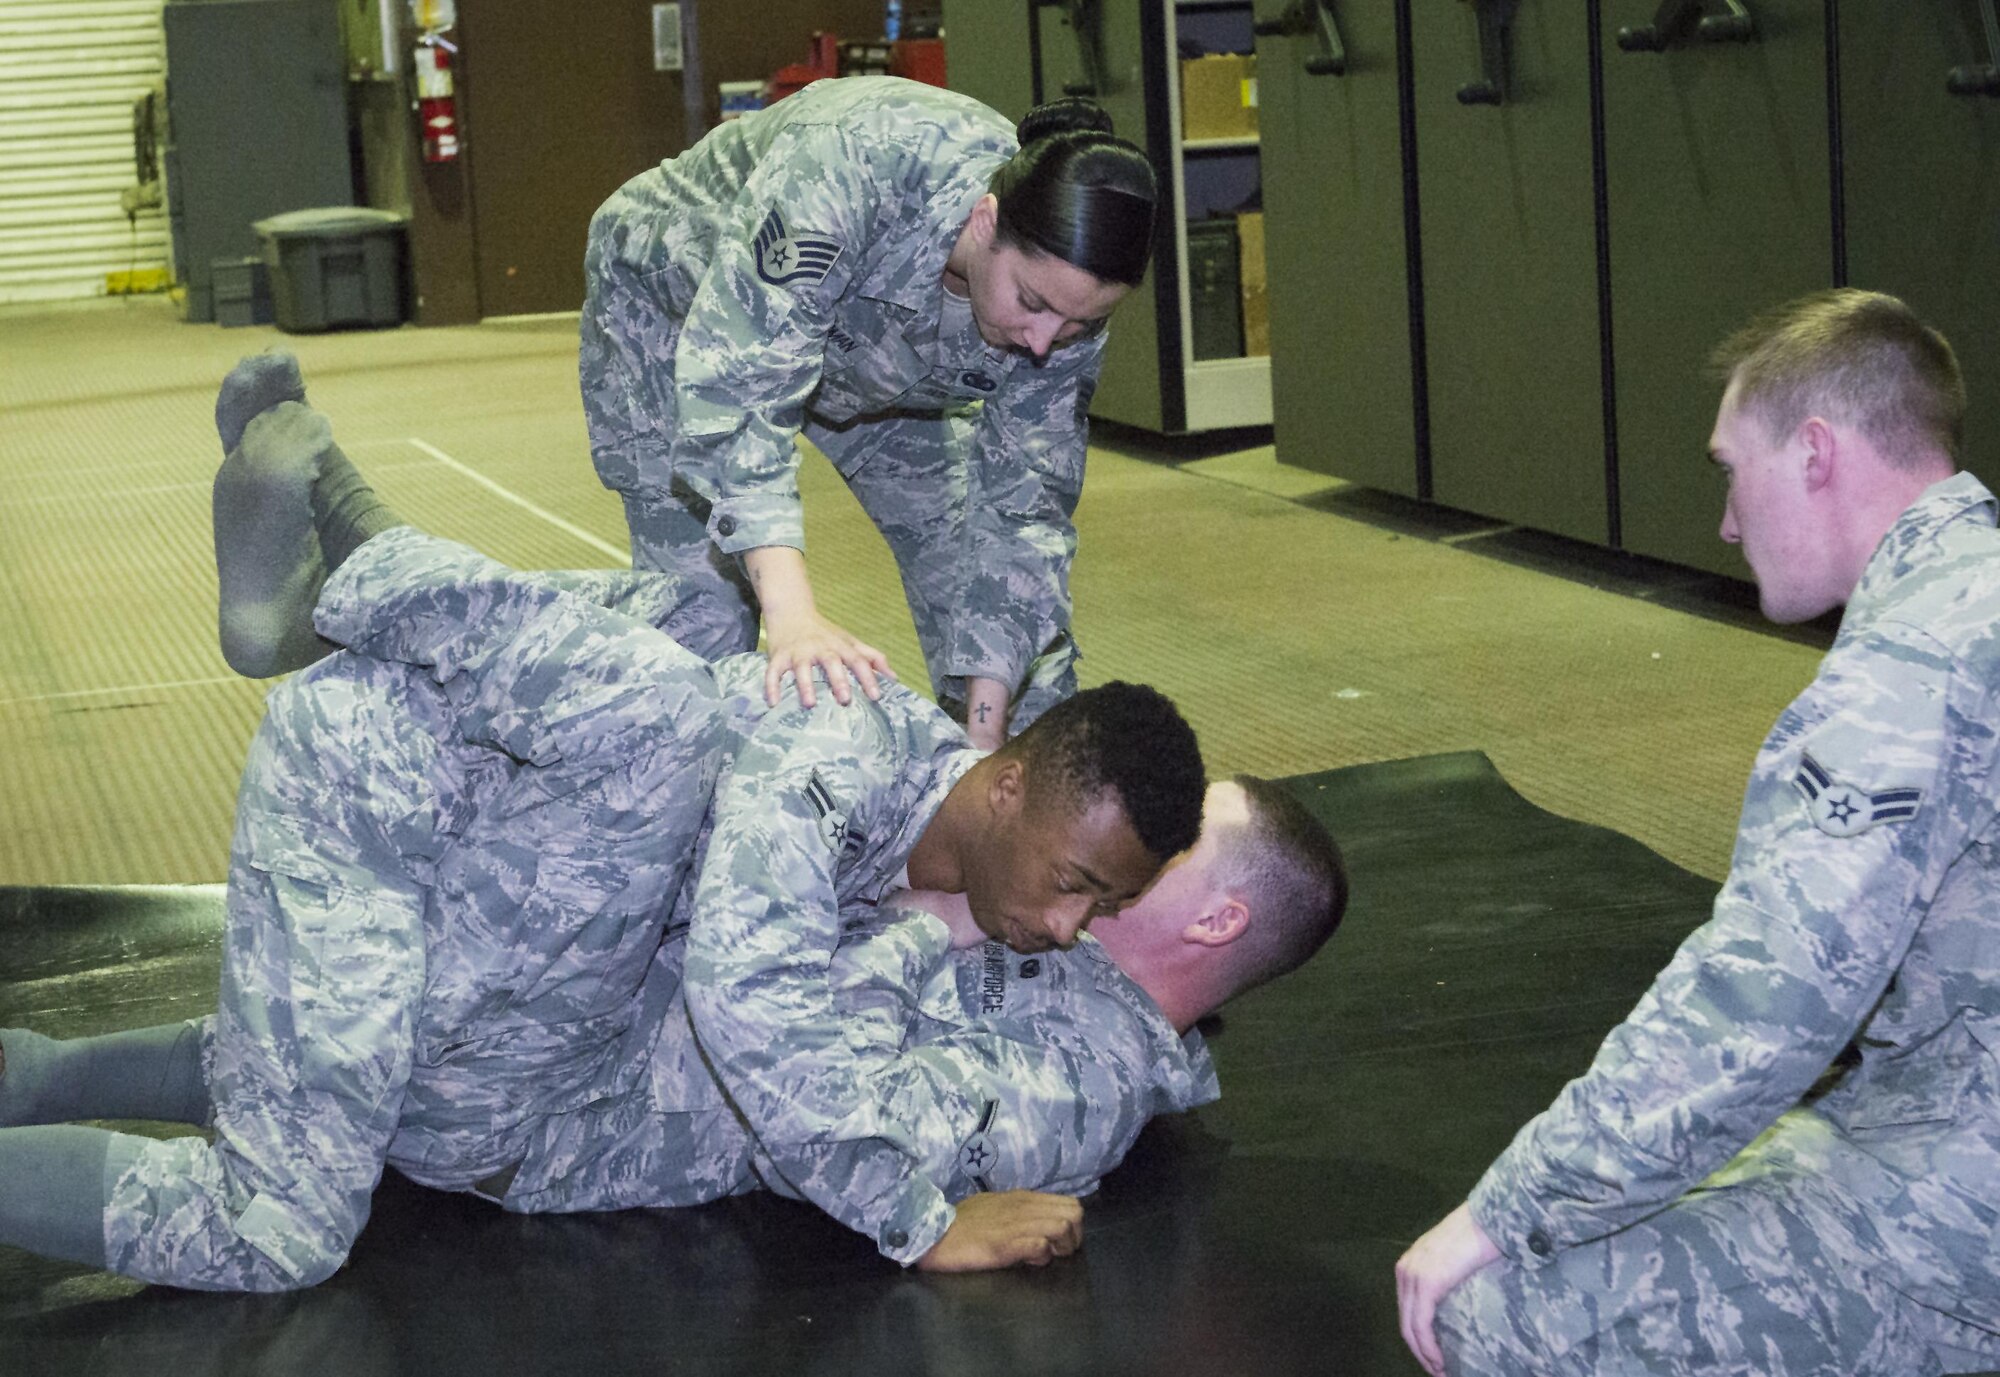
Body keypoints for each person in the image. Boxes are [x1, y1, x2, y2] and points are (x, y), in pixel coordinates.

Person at [0, 368, 1207, 1292]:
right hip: (388, 818)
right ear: (1004, 788)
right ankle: (324, 601)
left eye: (1097, 908)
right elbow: (747, 996)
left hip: (455, 866)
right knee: (276, 1226)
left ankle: (347, 563)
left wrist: (921, 926)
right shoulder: (837, 750)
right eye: (1071, 882)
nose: (1064, 924)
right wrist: (920, 1219)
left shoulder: (913, 813)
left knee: (681, 639)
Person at [0, 775, 1346, 1288]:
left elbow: (860, 1108)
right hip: (602, 1013)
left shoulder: (1085, 1086)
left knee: (267, 1200)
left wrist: (916, 925)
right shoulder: (1059, 944)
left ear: (1216, 924)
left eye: (1174, 850)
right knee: (296, 1045)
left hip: (581, 1116)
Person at [1394, 289, 2000, 1376]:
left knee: (1488, 1309)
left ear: (1814, 452)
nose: (1723, 521)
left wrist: (1500, 1213)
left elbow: (1757, 1006)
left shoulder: (1911, 665)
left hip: (1965, 1208)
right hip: (1942, 1104)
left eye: (1731, 469)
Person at [578, 76, 1158, 751]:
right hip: (679, 323)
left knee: (1024, 667)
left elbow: (1024, 508)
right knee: (704, 631)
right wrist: (793, 619)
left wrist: (986, 735)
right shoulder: (851, 165)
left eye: (1077, 325)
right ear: (985, 222)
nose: (1042, 342)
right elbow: (740, 393)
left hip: (881, 371)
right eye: (1031, 303)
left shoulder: (1069, 291)